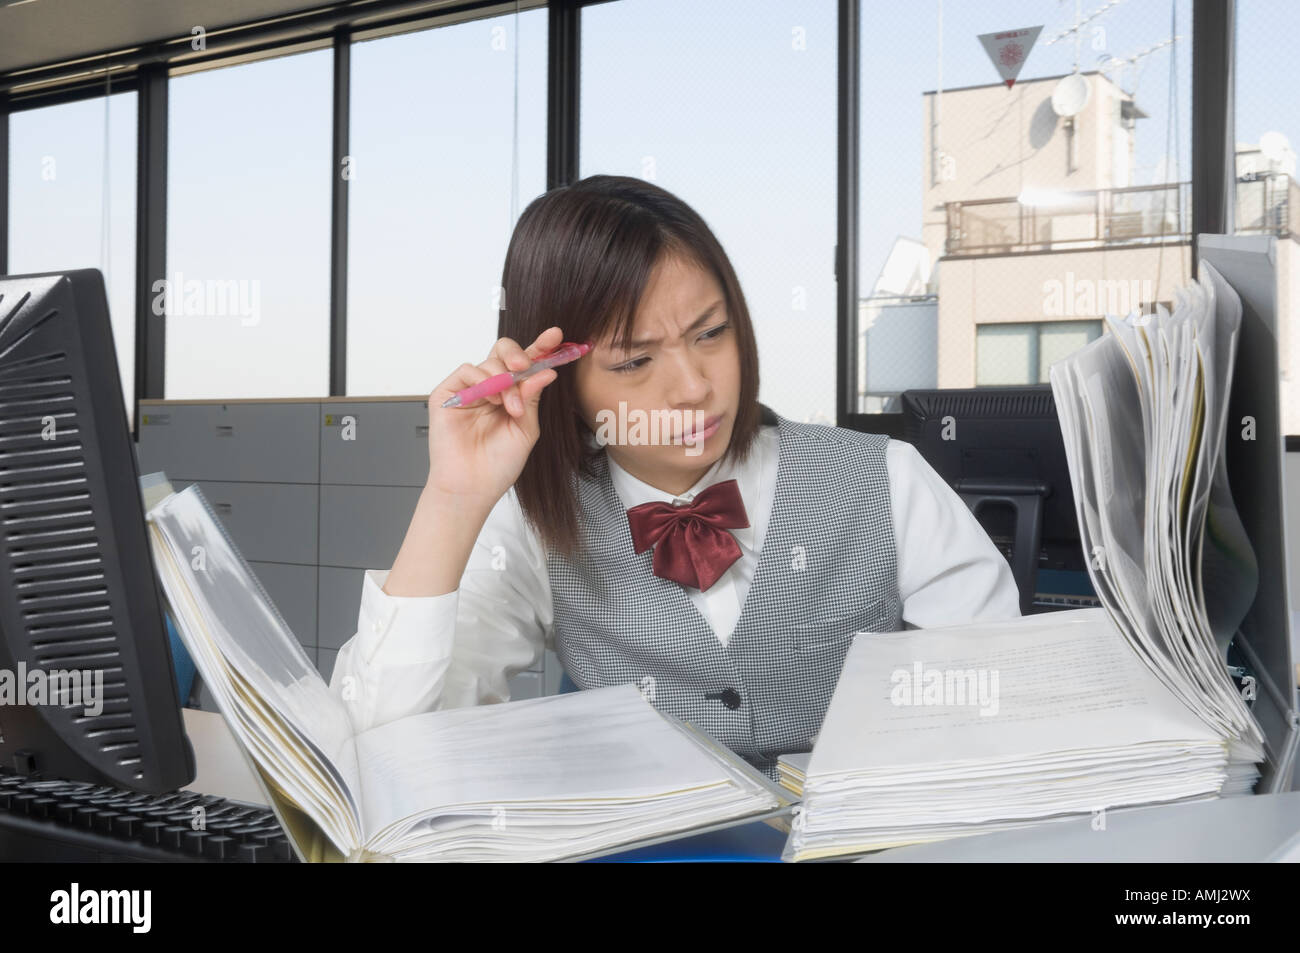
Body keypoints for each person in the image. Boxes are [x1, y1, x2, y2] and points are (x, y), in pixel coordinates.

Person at [329, 174, 1020, 781]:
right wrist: (452, 500)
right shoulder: (536, 524)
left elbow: (998, 711)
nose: (694, 386)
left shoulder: (887, 481)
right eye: (634, 362)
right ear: (558, 383)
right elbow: (378, 748)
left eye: (710, 333)